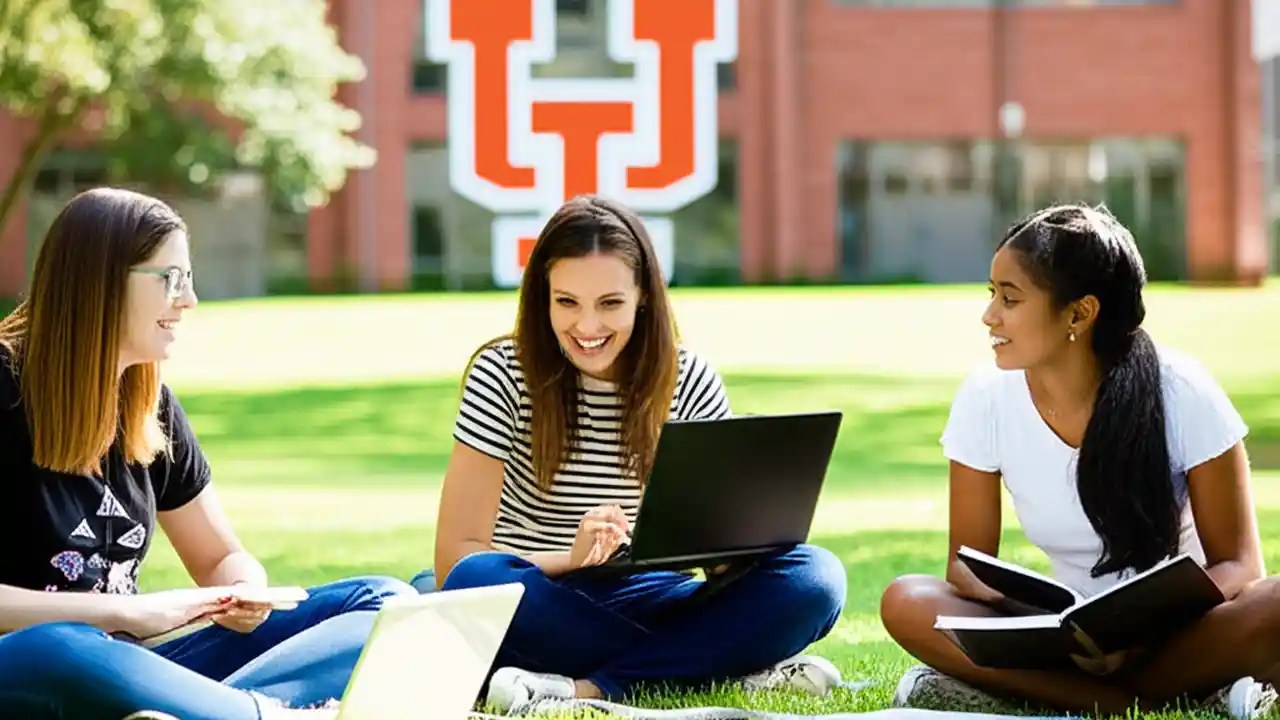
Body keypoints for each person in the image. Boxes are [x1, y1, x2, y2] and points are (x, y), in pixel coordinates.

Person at [420, 194, 847, 714]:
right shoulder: (503, 374)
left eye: (610, 304)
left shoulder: (688, 378)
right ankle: (725, 662)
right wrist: (572, 560)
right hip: (539, 595)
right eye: (567, 302)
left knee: (815, 578)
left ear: (643, 295)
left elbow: (712, 560)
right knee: (470, 585)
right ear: (542, 298)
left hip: (650, 594)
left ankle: (589, 690)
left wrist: (733, 547)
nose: (587, 327)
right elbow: (455, 560)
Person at [0, 188, 416, 720]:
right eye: (171, 279)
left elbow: (218, 557)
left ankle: (197, 711)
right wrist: (127, 611)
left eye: (188, 279)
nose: (189, 300)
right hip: (36, 665)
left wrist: (244, 588)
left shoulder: (149, 405)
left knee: (383, 602)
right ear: (99, 282)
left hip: (133, 664)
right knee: (59, 646)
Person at [879, 204, 1280, 719]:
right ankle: (1168, 700)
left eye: (1010, 298)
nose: (990, 316)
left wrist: (1137, 635)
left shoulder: (1183, 390)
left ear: (1079, 313)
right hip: (1061, 636)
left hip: (1180, 630)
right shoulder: (985, 397)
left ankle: (1055, 696)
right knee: (908, 601)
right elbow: (965, 562)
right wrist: (1042, 620)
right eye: (991, 293)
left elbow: (1240, 565)